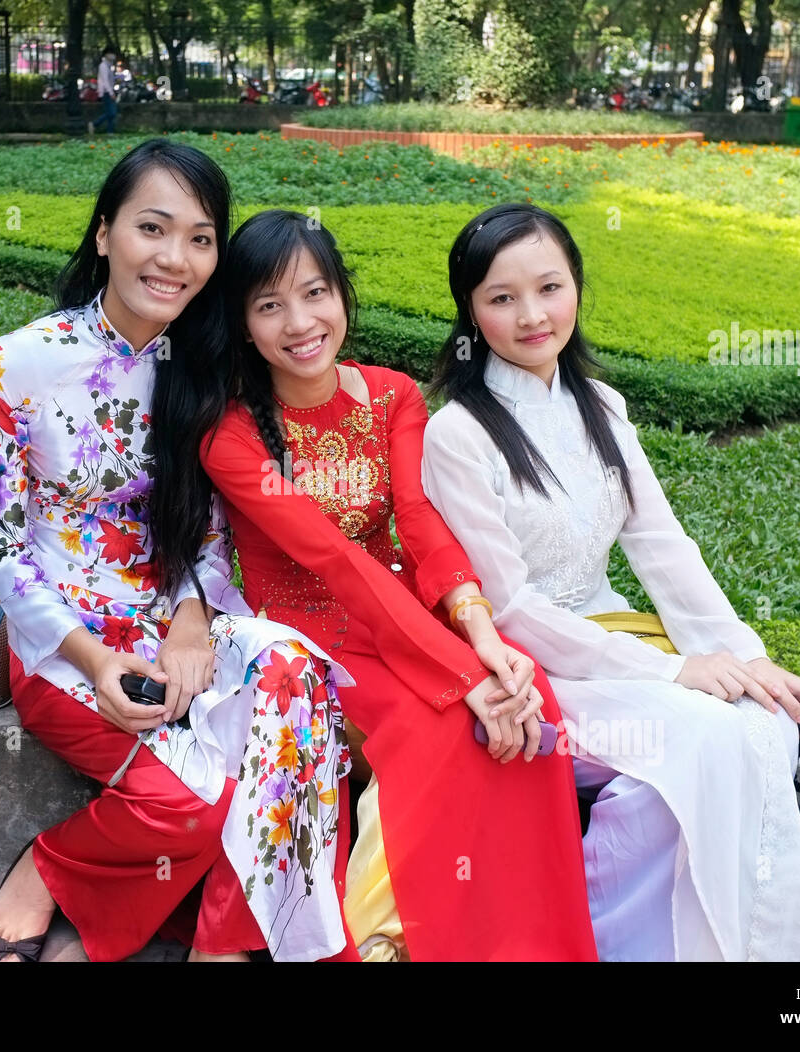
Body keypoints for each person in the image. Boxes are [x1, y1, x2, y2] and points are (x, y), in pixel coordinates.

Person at [0, 140, 353, 963]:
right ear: (106, 233)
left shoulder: (205, 370)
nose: (175, 258)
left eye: (200, 237)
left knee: (301, 676)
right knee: (198, 805)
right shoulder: (20, 364)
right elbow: (3, 550)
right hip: (62, 640)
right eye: (153, 228)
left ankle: (225, 942)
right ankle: (52, 867)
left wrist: (191, 623)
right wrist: (96, 662)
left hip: (182, 622)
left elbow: (209, 530)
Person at [421, 202, 800, 961]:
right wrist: (678, 667)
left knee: (761, 723)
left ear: (576, 285)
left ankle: (713, 943)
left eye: (549, 287)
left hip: (614, 641)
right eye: (501, 298)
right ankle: (612, 940)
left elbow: (661, 544)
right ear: (470, 313)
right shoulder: (459, 433)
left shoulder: (601, 407)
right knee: (703, 741)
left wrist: (745, 655)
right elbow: (509, 606)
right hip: (534, 669)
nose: (533, 315)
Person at [194, 209, 599, 961]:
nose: (301, 322)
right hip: (312, 635)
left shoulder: (392, 396)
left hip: (410, 611)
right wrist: (459, 676)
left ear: (342, 294)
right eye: (269, 305)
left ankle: (525, 942)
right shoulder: (232, 433)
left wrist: (482, 637)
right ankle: (378, 936)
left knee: (528, 693)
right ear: (242, 323)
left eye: (316, 293)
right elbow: (334, 561)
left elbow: (418, 522)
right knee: (443, 724)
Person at [96, 48, 118, 133]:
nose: (113, 56)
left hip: (109, 91)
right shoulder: (103, 66)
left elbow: (109, 79)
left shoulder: (109, 65)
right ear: (106, 54)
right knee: (111, 113)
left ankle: (110, 131)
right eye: (111, 53)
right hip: (106, 92)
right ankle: (95, 124)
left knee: (111, 113)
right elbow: (105, 81)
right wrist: (111, 93)